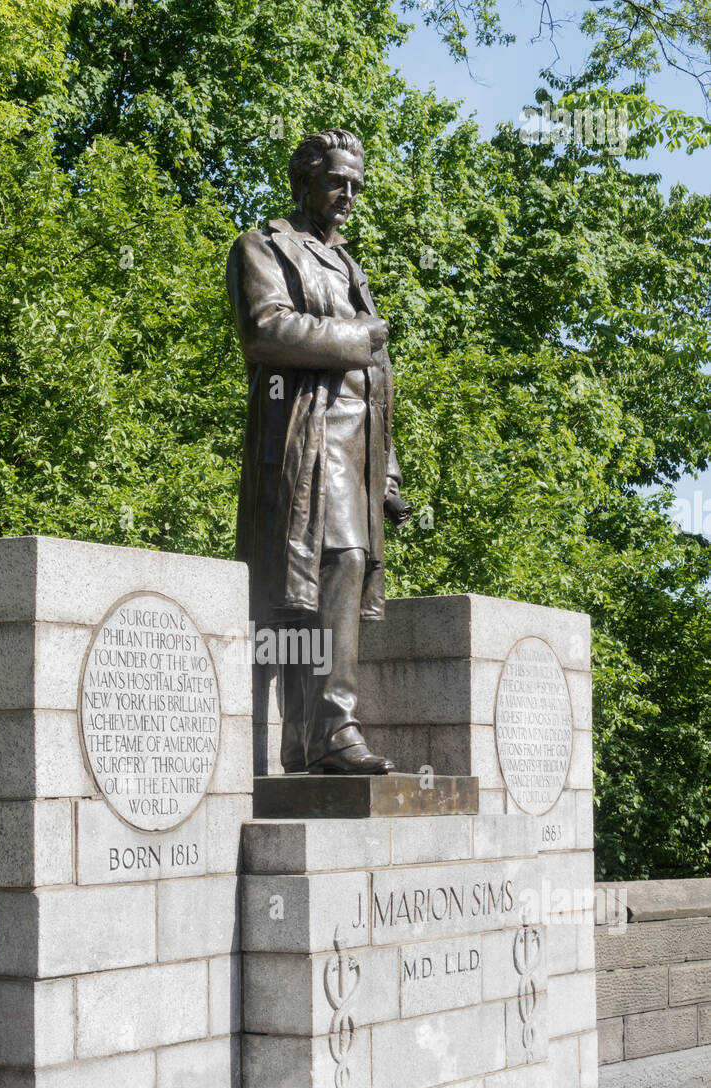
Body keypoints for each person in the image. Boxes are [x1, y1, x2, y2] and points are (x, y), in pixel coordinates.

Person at [227, 128, 412, 775]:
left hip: (357, 454)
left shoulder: (350, 266)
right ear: (304, 179)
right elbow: (265, 329)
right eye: (337, 181)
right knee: (331, 570)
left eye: (357, 185)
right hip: (304, 443)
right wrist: (357, 337)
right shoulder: (264, 247)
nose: (348, 195)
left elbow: (377, 385)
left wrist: (386, 473)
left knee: (337, 580)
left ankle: (306, 743)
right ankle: (334, 729)